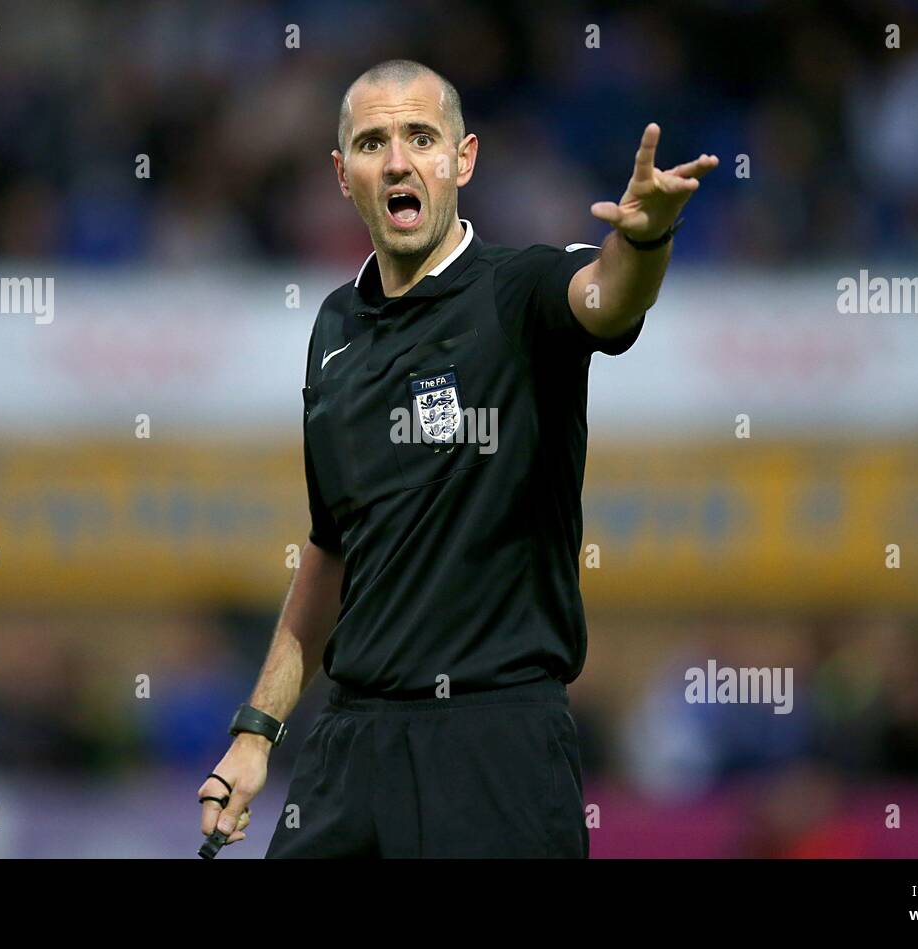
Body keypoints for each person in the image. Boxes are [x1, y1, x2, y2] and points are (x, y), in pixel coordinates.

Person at [199, 59, 717, 858]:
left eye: (420, 137)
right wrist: (256, 732)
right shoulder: (334, 330)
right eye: (373, 142)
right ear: (344, 175)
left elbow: (609, 297)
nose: (398, 160)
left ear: (463, 160)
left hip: (496, 743)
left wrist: (645, 238)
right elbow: (332, 546)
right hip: (353, 741)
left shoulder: (522, 293)